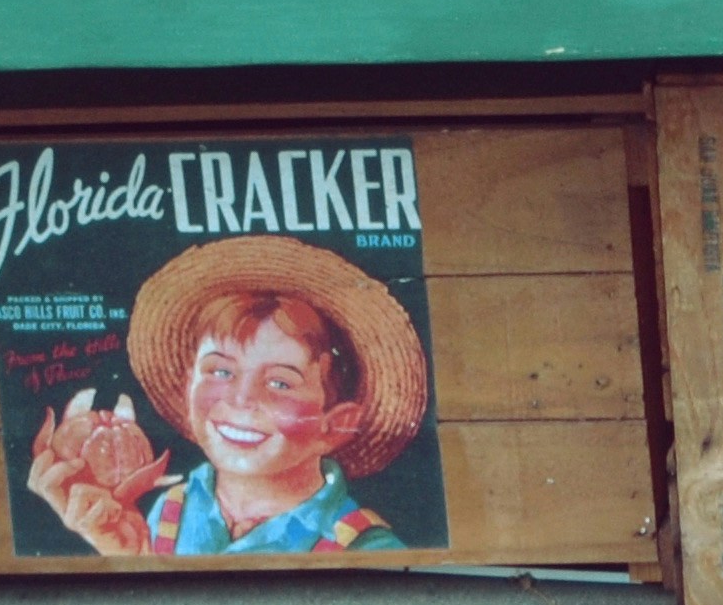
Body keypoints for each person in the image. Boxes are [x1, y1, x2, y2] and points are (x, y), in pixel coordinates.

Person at [24, 232, 430, 557]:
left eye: (280, 383)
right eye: (221, 372)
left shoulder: (366, 547)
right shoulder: (170, 510)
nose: (240, 399)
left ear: (336, 425)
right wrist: (130, 556)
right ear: (188, 387)